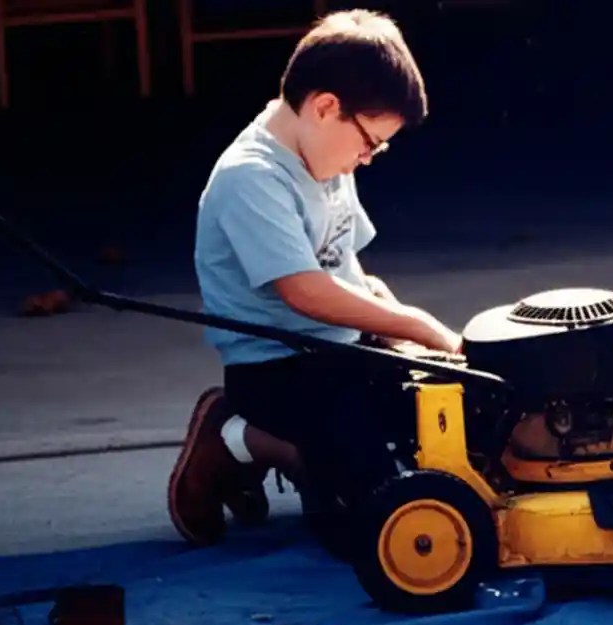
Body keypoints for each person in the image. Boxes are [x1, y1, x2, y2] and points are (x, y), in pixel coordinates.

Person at [166, 9, 460, 550]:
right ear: (326, 107)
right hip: (277, 367)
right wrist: (419, 326)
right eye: (370, 141)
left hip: (343, 355)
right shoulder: (250, 178)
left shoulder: (327, 157)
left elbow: (347, 272)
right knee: (371, 521)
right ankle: (237, 438)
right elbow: (305, 291)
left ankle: (320, 458)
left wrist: (406, 339)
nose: (368, 158)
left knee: (443, 432)